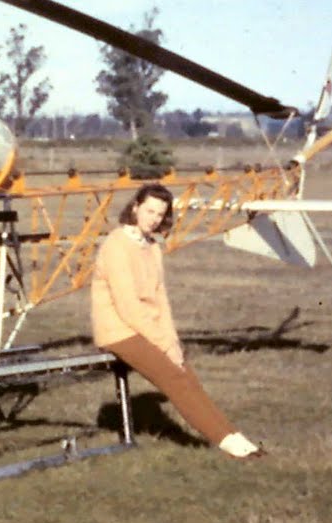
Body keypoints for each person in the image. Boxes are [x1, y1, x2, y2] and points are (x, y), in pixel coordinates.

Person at [91, 182, 264, 459]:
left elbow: (161, 300)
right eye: (149, 211)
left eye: (160, 214)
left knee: (187, 376)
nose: (154, 219)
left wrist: (172, 341)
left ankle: (236, 438)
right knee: (174, 378)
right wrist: (163, 344)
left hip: (146, 328)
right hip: (119, 330)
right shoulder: (117, 245)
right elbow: (128, 308)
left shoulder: (151, 246)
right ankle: (230, 446)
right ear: (135, 208)